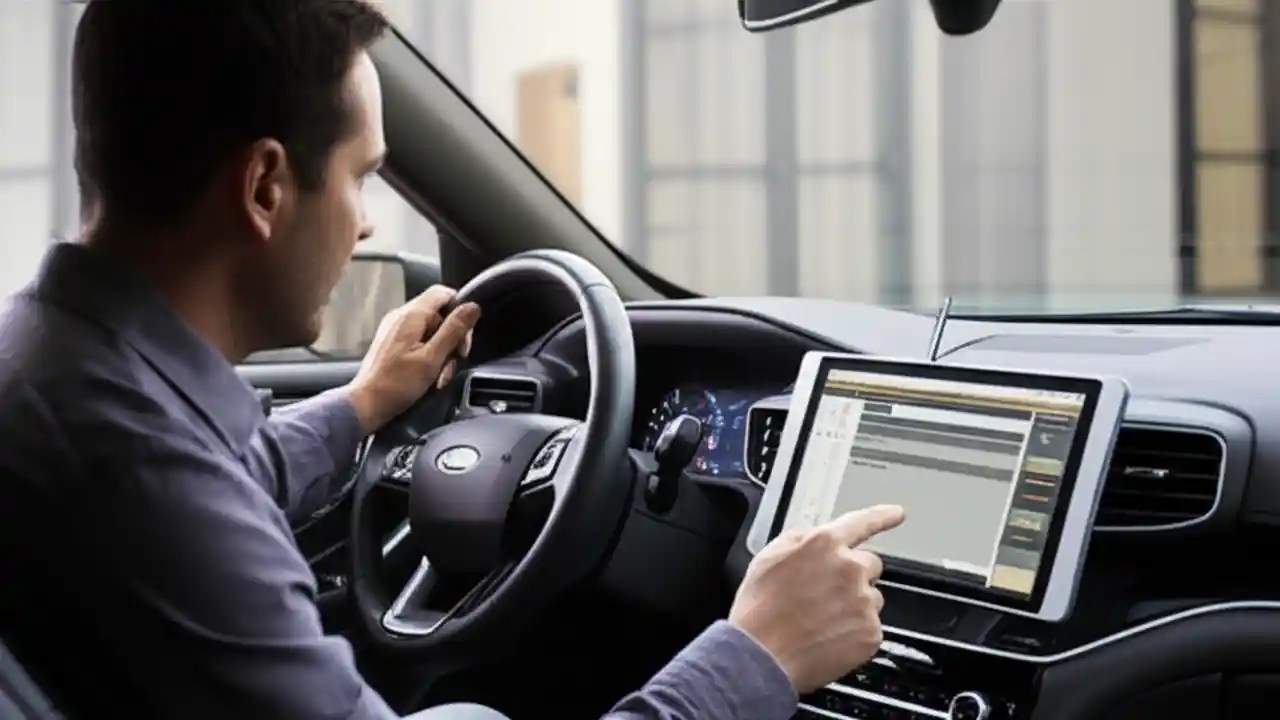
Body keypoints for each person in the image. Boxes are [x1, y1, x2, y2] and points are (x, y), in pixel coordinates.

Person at [0, 2, 905, 718]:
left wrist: (359, 407)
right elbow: (187, 500)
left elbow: (219, 482)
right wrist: (757, 656)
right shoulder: (140, 477)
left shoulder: (52, 362)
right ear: (267, 186)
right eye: (362, 176)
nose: (365, 221)